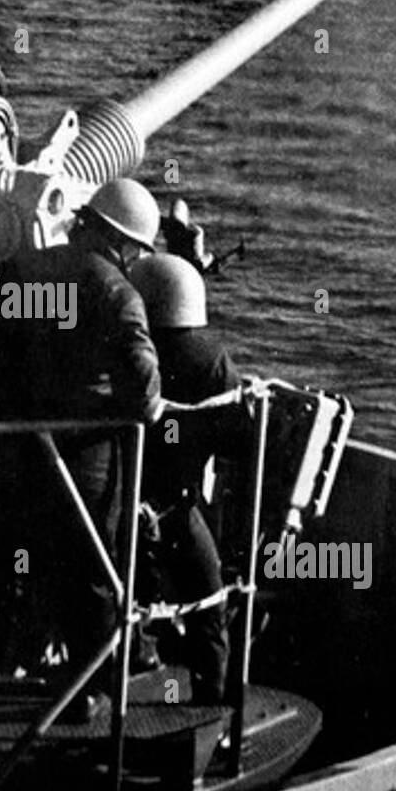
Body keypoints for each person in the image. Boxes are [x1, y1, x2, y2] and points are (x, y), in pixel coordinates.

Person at [9, 177, 165, 723]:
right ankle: (92, 690)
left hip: (23, 443)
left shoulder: (31, 269)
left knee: (40, 557)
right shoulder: (117, 292)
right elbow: (146, 395)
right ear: (124, 245)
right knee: (97, 567)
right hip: (88, 448)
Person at [127, 251, 240, 704]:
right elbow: (236, 437)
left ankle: (132, 670)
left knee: (130, 600)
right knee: (208, 604)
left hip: (122, 505)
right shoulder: (212, 360)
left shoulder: (131, 352)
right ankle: (211, 698)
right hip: (177, 507)